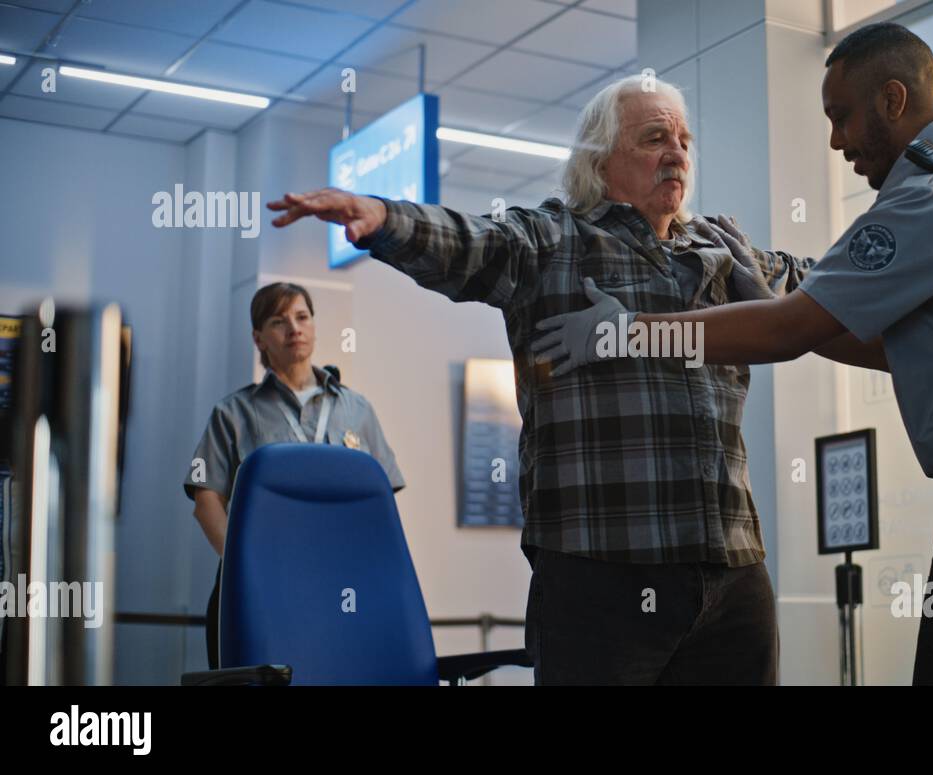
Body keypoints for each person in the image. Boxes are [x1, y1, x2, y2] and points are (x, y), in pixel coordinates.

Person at [532, 23, 933, 685]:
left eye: (841, 117)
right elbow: (895, 347)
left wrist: (633, 331)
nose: (836, 140)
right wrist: (786, 309)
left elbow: (789, 329)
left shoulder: (932, 194)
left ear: (894, 101)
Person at [267, 76, 817, 685]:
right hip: (600, 571)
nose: (678, 153)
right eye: (655, 138)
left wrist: (909, 249)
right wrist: (384, 218)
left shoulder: (723, 249)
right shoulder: (554, 240)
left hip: (732, 570)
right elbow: (471, 242)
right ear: (600, 158)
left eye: (684, 139)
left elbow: (836, 290)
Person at [184, 282, 404, 669]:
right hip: (260, 587)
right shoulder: (233, 412)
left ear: (314, 326)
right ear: (259, 338)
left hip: (341, 585)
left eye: (302, 317)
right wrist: (245, 570)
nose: (294, 329)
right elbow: (206, 502)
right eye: (278, 321)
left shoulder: (356, 410)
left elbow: (381, 500)